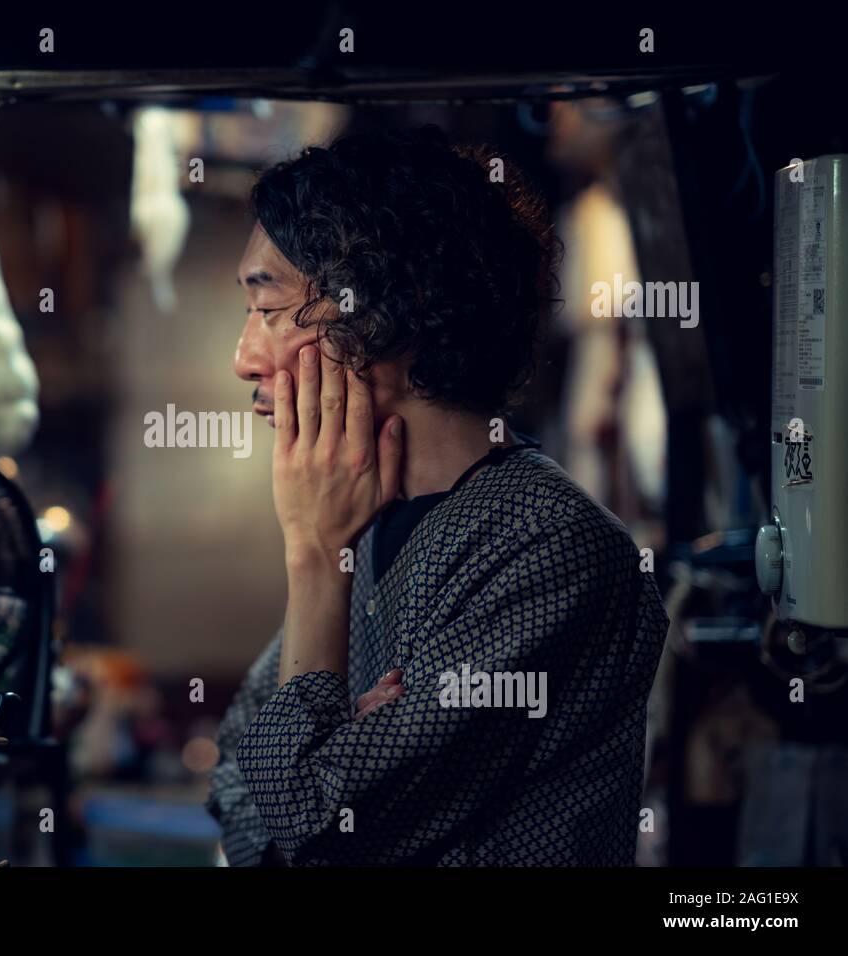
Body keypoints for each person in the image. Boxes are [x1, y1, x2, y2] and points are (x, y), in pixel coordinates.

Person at [206, 125, 668, 866]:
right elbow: (236, 774)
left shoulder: (548, 546)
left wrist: (316, 559)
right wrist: (326, 754)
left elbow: (315, 821)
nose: (243, 358)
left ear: (387, 310)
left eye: (267, 310)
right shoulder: (370, 520)